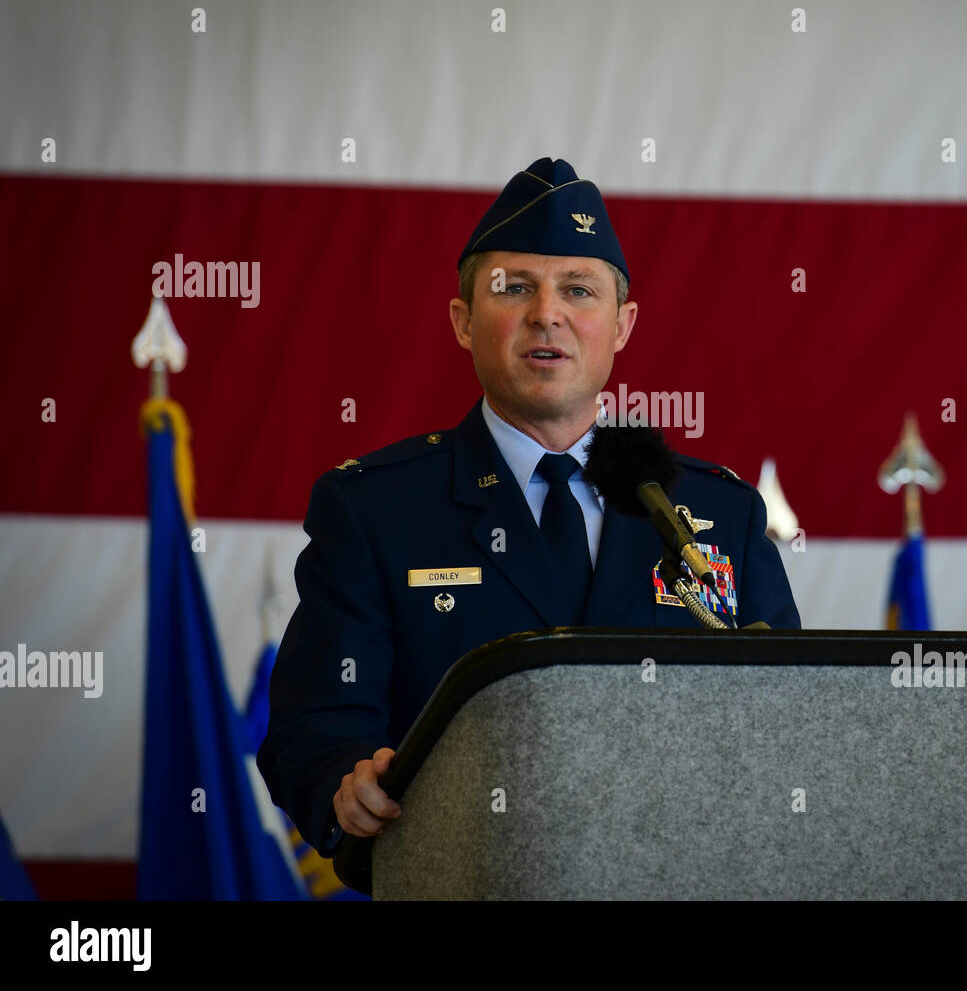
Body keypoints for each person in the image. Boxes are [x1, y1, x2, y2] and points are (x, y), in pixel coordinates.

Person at [257, 157, 801, 857]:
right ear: (462, 320)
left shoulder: (718, 512)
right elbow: (314, 728)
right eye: (514, 288)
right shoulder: (375, 509)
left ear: (623, 324)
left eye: (579, 289)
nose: (548, 313)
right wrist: (343, 780)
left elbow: (788, 720)